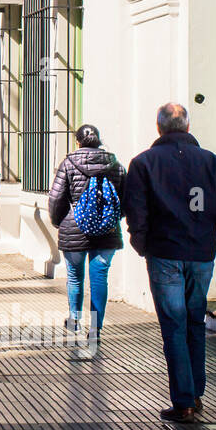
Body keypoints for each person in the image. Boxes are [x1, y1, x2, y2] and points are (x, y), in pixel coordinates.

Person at [124, 103, 216, 423]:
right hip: (201, 255)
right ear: (188, 128)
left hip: (165, 254)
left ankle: (183, 402)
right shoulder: (214, 163)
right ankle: (194, 393)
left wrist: (142, 245)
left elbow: (136, 212)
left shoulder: (143, 164)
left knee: (174, 326)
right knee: (194, 322)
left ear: (159, 128)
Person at [47, 124, 125, 358]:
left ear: (78, 141)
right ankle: (96, 328)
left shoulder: (69, 163)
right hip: (107, 233)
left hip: (75, 228)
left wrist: (60, 221)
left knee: (75, 276)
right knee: (100, 277)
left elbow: (56, 198)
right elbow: (125, 199)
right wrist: (109, 219)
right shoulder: (115, 165)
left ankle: (75, 319)